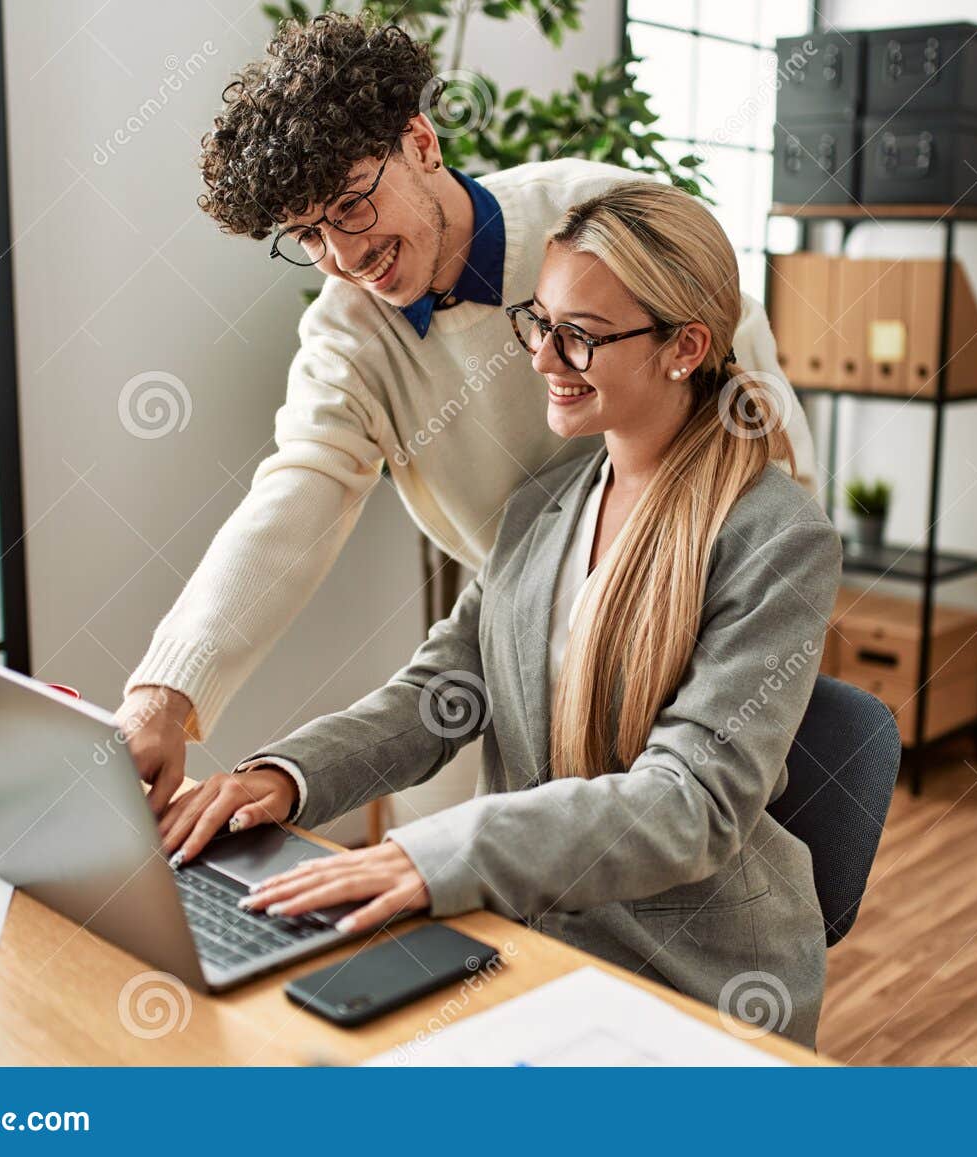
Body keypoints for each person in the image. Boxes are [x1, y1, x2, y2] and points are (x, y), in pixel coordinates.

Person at [158, 181, 841, 1047]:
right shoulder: (545, 504)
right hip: (522, 937)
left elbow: (688, 803)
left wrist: (445, 851)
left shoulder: (776, 538)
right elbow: (439, 693)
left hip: (689, 975)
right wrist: (284, 778)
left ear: (685, 347)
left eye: (580, 335)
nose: (544, 359)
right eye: (539, 323)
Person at [117, 12, 816, 807]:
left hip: (692, 620)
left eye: (350, 205)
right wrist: (165, 693)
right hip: (529, 632)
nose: (343, 258)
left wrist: (773, 608)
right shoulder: (349, 334)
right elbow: (299, 491)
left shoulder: (598, 221)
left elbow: (757, 421)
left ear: (422, 142)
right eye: (307, 236)